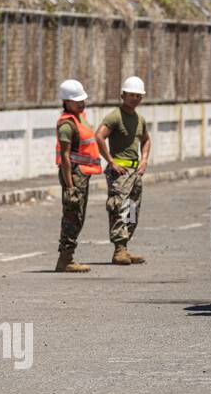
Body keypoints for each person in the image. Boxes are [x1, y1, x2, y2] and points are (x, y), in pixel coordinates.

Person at [97, 76, 151, 264]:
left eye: (138, 95)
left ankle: (125, 246)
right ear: (123, 95)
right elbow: (99, 136)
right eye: (131, 95)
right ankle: (119, 249)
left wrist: (144, 160)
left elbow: (146, 140)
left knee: (133, 210)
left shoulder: (139, 119)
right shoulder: (115, 116)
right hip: (119, 173)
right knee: (119, 208)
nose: (135, 98)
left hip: (135, 173)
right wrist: (111, 162)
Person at [54, 79, 103, 272]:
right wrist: (70, 185)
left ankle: (68, 257)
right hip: (73, 175)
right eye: (77, 101)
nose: (82, 103)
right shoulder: (67, 124)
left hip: (82, 174)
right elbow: (65, 157)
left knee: (78, 215)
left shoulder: (79, 118)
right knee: (72, 215)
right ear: (66, 102)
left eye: (83, 100)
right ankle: (65, 259)